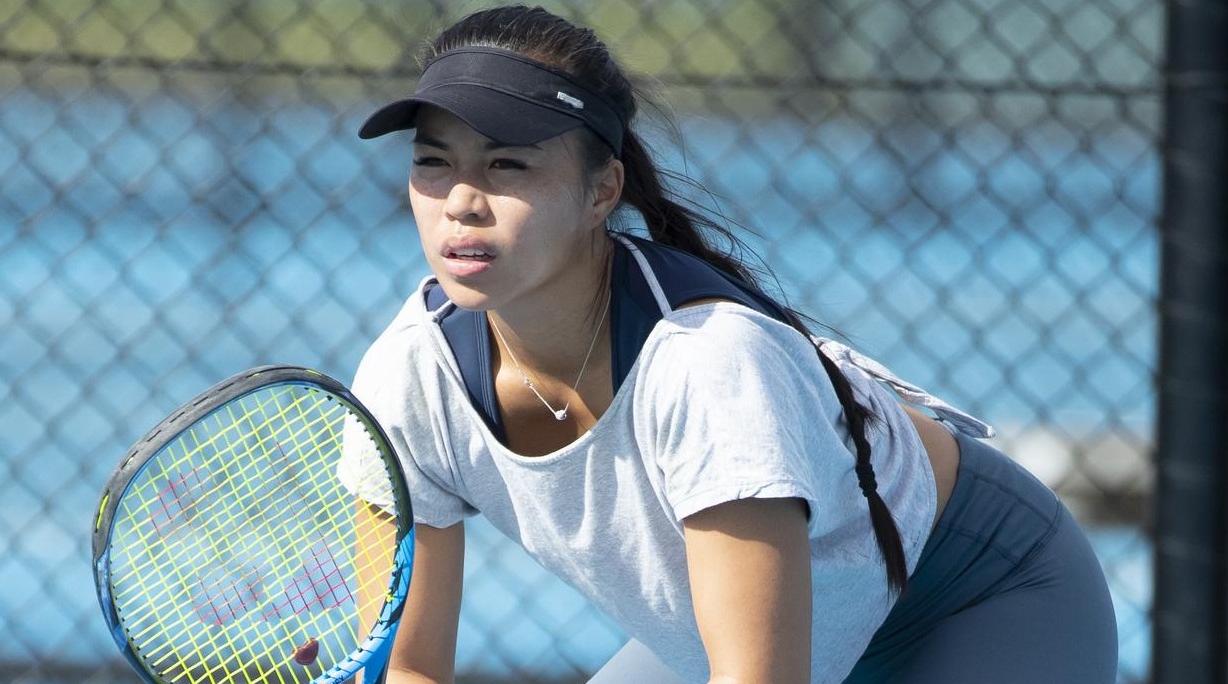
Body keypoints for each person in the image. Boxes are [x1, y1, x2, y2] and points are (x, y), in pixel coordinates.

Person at [339, 5, 1118, 683]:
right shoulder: (408, 377)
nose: (461, 203)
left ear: (602, 191)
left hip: (971, 595)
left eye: (508, 164)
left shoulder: (709, 361)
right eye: (432, 164)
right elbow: (406, 667)